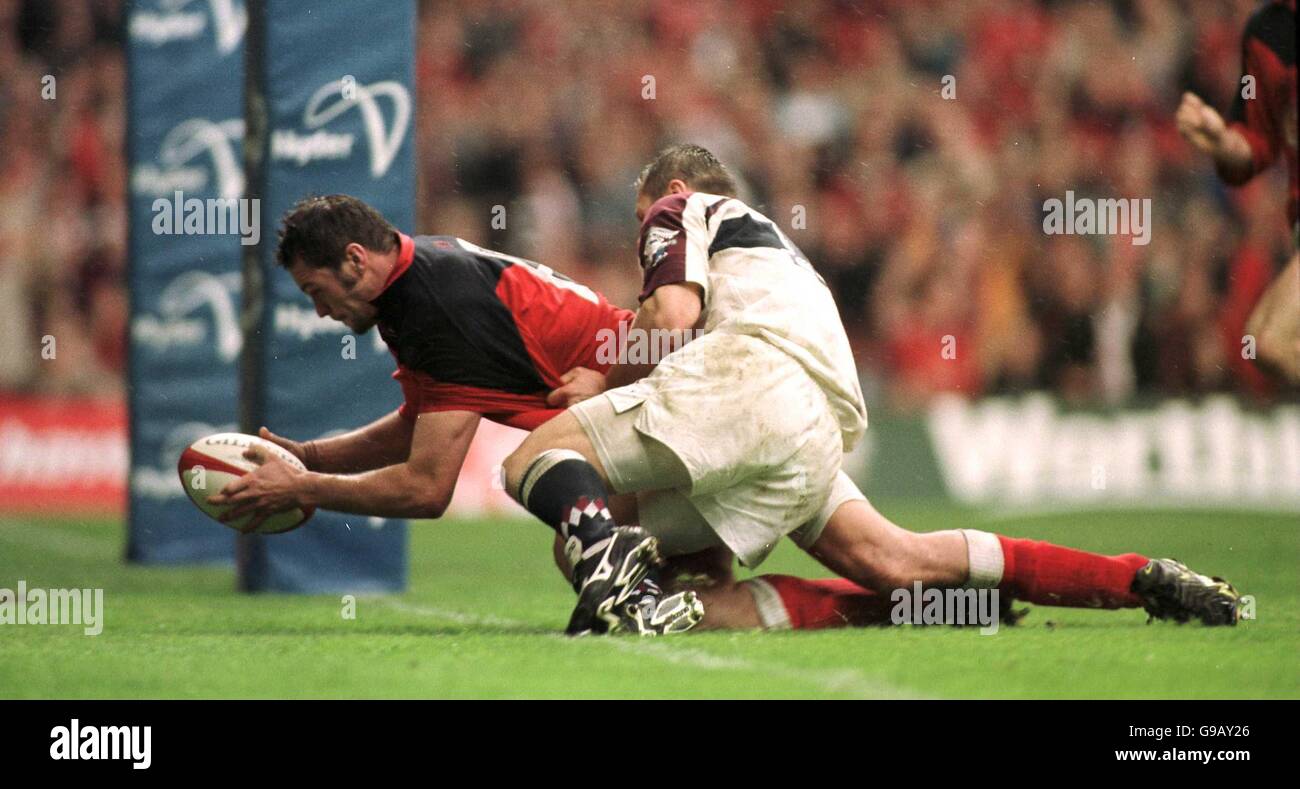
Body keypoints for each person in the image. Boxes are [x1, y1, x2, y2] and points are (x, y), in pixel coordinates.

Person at [501, 144, 1246, 635]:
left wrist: (604, 364)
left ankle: (624, 583)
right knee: (900, 561)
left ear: (672, 190)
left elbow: (670, 314)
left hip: (747, 384)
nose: (646, 241)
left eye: (642, 224)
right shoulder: (785, 261)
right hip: (811, 424)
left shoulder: (682, 209)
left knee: (539, 463)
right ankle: (1135, 577)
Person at [1176, 0, 1297, 381]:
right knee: (1261, 344)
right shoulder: (1268, 31)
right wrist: (1220, 140)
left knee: (1272, 340)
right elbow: (1254, 144)